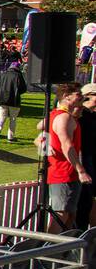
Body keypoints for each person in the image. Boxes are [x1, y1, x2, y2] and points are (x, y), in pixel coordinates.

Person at [39, 83, 91, 231]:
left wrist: (43, 141)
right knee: (61, 214)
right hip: (63, 173)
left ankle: (60, 251)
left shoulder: (59, 115)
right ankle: (50, 251)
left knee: (69, 215)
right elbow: (66, 145)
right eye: (78, 95)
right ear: (67, 97)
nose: (81, 98)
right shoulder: (63, 117)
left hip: (68, 173)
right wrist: (81, 171)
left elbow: (40, 128)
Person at [0, 60, 26, 143]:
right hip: (14, 100)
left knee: (2, 117)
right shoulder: (18, 75)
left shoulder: (2, 74)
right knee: (13, 119)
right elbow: (23, 88)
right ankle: (10, 137)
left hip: (2, 99)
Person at [76, 86, 96, 231]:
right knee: (83, 203)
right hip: (82, 161)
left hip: (90, 160)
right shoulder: (78, 116)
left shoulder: (91, 115)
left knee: (90, 201)